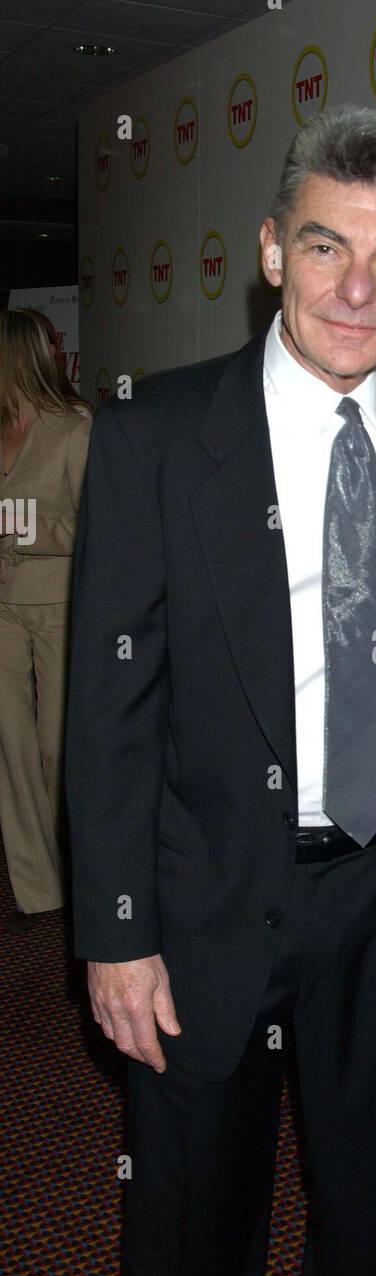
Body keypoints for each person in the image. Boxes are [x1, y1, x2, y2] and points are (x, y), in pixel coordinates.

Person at [64, 105, 376, 1276]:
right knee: (189, 1228)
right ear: (273, 248)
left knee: (362, 1216)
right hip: (202, 899)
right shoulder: (156, 434)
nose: (355, 289)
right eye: (327, 246)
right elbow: (108, 703)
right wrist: (117, 930)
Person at [0, 308, 92, 930]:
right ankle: (38, 890)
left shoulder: (74, 426)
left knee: (60, 746)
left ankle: (83, 870)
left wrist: (19, 527)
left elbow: (98, 523)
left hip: (59, 601)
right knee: (11, 747)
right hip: (1, 606)